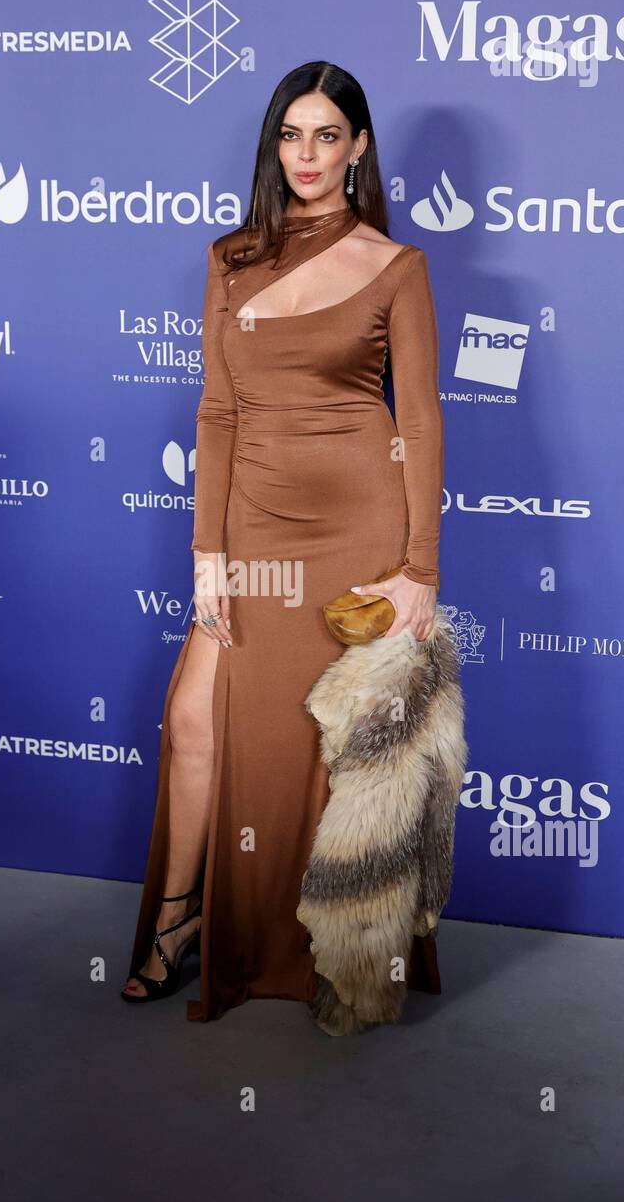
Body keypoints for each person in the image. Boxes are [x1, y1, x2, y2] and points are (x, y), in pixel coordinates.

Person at [121, 60, 443, 1020]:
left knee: (339, 749)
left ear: (359, 147)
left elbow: (419, 421)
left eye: (327, 136)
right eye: (292, 136)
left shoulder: (397, 267)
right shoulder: (230, 258)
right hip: (253, 527)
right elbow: (216, 413)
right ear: (276, 147)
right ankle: (181, 923)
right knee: (193, 721)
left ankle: (333, 953)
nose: (307, 155)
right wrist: (208, 556)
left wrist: (419, 568)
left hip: (359, 526)